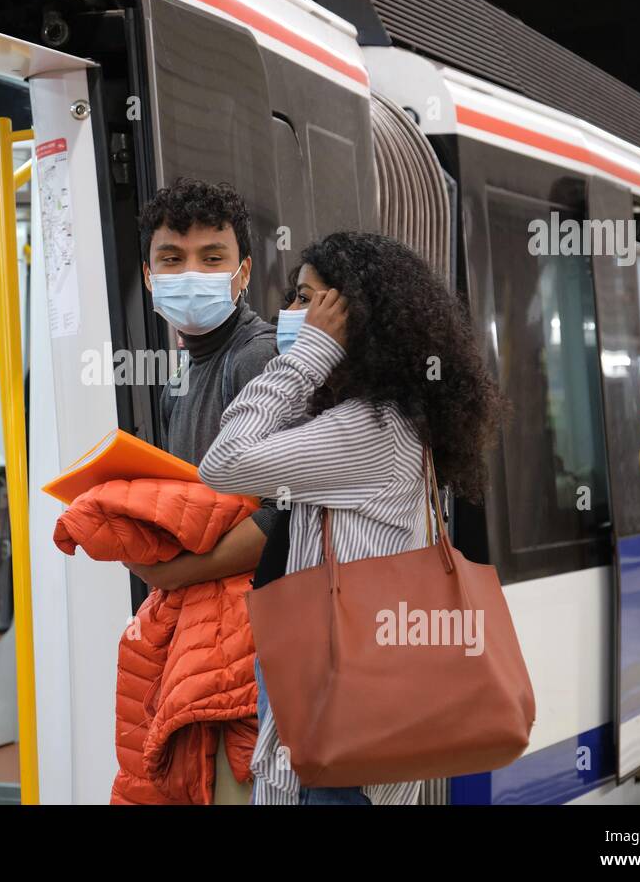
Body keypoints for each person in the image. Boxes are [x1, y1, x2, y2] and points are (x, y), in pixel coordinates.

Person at [199, 231, 505, 805]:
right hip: (352, 727)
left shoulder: (366, 431)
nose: (288, 314)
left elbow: (225, 461)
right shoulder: (388, 422)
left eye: (305, 299)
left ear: (350, 322)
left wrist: (308, 357)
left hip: (338, 740)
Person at [125, 177, 278, 805]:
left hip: (256, 650)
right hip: (209, 645)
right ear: (148, 275)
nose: (191, 273)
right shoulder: (182, 373)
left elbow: (286, 515)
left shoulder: (257, 359)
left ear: (242, 273)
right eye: (172, 259)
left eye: (212, 258)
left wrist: (175, 574)